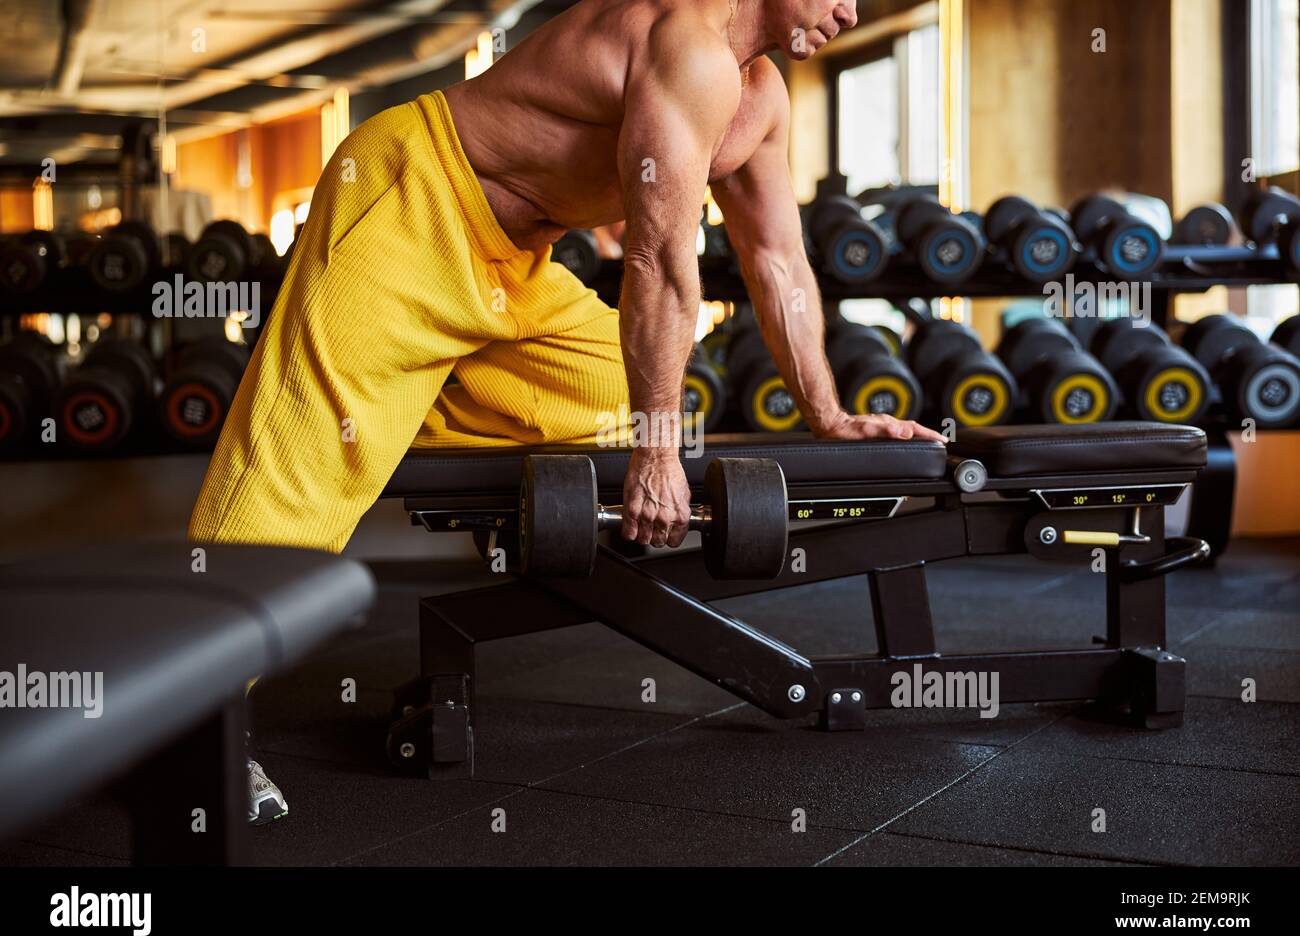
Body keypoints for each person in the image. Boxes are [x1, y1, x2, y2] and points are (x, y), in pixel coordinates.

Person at [189, 0, 945, 823]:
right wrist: (659, 455)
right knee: (301, 462)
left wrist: (827, 414)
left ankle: (395, 392)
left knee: (620, 389)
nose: (851, 9)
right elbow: (656, 258)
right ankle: (193, 726)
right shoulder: (685, 45)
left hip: (512, 261)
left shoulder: (759, 98)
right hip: (416, 199)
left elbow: (777, 260)